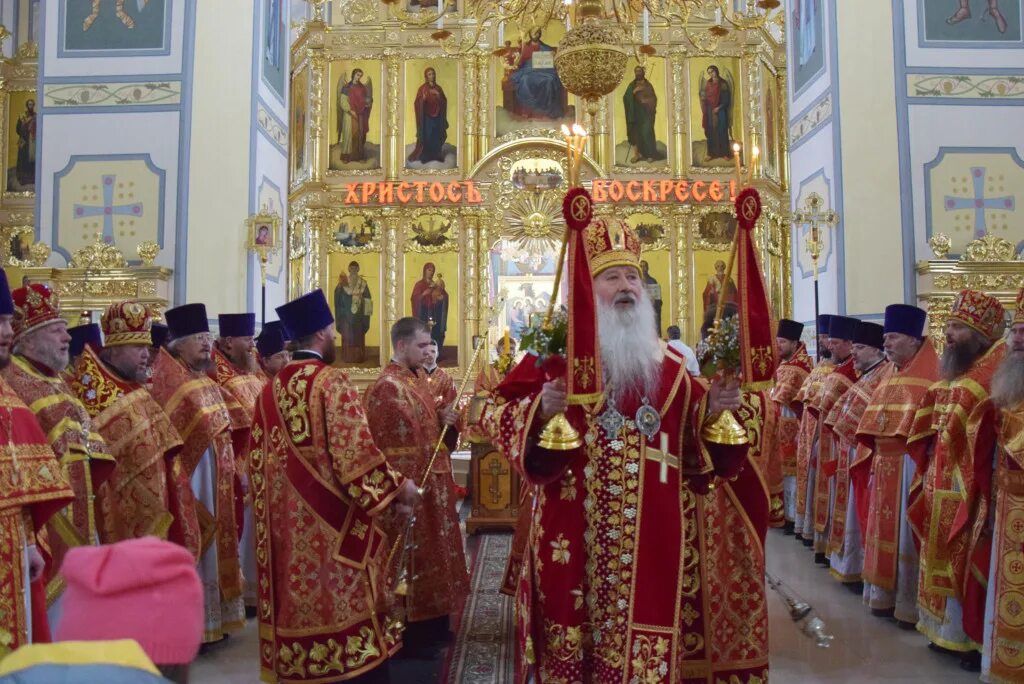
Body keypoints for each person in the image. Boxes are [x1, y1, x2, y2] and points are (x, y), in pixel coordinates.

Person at [476, 219, 765, 681]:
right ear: (587, 290)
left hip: (652, 536)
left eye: (633, 276)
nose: (627, 287)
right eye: (612, 277)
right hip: (569, 529)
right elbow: (490, 410)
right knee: (570, 641)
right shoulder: (555, 356)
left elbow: (698, 444)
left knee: (643, 646)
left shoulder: (670, 368)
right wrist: (540, 411)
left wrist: (715, 409)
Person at [250, 290, 418, 683]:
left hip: (286, 535)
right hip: (334, 532)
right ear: (324, 333)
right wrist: (399, 489)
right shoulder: (331, 382)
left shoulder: (268, 391)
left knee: (299, 604)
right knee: (344, 608)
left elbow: (257, 465)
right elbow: (356, 458)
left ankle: (301, 666)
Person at [2, 283, 114, 630]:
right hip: (42, 515)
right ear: (28, 339)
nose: (67, 338)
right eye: (55, 331)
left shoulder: (56, 379)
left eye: (65, 329)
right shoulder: (15, 380)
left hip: (78, 505)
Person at [907, 289, 1006, 671]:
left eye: (957, 328)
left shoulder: (988, 377)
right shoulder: (956, 373)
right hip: (941, 482)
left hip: (971, 489)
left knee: (965, 561)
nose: (947, 335)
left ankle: (966, 639)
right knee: (939, 558)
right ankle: (940, 630)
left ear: (979, 336)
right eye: (947, 326)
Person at [364, 317, 469, 652]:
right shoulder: (386, 387)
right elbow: (389, 447)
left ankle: (435, 623)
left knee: (433, 557)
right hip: (410, 488)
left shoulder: (417, 380)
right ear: (401, 346)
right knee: (412, 560)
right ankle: (412, 633)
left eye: (430, 345)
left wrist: (443, 422)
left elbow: (429, 434)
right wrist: (405, 488)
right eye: (422, 345)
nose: (428, 352)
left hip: (432, 484)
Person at [149, 303, 245, 644]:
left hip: (216, 480)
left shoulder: (201, 377)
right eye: (197, 338)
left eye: (207, 337)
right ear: (178, 343)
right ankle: (196, 627)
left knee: (217, 547)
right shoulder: (169, 380)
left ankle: (216, 619)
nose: (206, 344)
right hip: (193, 482)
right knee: (198, 549)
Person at [64, 302, 186, 550]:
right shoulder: (88, 396)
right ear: (113, 349)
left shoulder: (133, 387)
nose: (146, 354)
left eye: (147, 346)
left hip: (155, 506)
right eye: (137, 346)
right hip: (116, 516)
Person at [0, 268, 73, 657]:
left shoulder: (10, 395)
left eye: (8, 321)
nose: (6, 331)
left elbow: (21, 486)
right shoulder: (16, 387)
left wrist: (29, 541)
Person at [854, 304, 936, 628]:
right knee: (883, 531)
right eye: (885, 337)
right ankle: (883, 596)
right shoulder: (890, 373)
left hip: (909, 468)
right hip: (885, 466)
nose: (886, 343)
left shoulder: (931, 374)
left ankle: (907, 605)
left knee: (904, 536)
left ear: (915, 340)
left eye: (894, 337)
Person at [823, 321, 891, 587]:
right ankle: (850, 566)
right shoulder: (868, 374)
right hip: (849, 452)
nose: (855, 353)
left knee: (859, 512)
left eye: (860, 348)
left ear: (876, 350)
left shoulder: (883, 375)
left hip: (864, 455)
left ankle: (859, 567)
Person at [985, 287, 1024, 682]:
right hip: (1010, 501)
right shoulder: (1009, 385)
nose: (1016, 339)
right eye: (1015, 329)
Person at [807, 315, 860, 565]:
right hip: (827, 437)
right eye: (828, 341)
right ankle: (827, 546)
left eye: (835, 342)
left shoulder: (853, 371)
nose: (829, 346)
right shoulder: (838, 368)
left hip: (842, 443)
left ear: (850, 344)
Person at [794, 314, 835, 544]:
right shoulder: (819, 365)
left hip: (823, 433)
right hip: (808, 431)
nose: (822, 342)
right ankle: (807, 525)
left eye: (826, 337)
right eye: (820, 338)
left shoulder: (842, 370)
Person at [769, 318, 812, 534]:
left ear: (795, 343)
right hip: (778, 423)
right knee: (780, 471)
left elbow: (782, 395)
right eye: (777, 341)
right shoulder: (782, 363)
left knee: (791, 473)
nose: (778, 346)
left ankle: (792, 517)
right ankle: (780, 512)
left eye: (783, 342)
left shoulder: (800, 366)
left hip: (792, 424)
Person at [508, 27, 565, 120]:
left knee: (550, 80)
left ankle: (546, 111)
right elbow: (518, 63)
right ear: (530, 34)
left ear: (540, 34)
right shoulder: (524, 48)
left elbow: (553, 63)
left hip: (544, 71)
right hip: (527, 70)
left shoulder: (547, 48)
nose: (536, 35)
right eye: (534, 33)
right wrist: (517, 61)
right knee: (524, 80)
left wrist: (553, 56)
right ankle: (527, 109)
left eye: (538, 33)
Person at [408, 67, 449, 164]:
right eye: (429, 74)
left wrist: (438, 95)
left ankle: (437, 155)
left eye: (433, 74)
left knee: (436, 135)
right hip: (427, 118)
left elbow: (444, 101)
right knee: (428, 135)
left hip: (438, 117)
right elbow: (417, 103)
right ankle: (426, 156)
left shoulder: (438, 88)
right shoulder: (422, 89)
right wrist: (424, 97)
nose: (432, 76)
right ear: (426, 76)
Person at [623, 66, 663, 163]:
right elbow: (625, 97)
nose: (638, 73)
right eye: (636, 71)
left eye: (639, 71)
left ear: (643, 72)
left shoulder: (648, 85)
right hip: (635, 114)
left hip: (646, 114)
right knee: (635, 134)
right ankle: (637, 155)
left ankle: (649, 154)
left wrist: (646, 101)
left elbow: (654, 99)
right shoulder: (631, 85)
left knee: (647, 132)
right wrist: (634, 92)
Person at [335, 261, 372, 364]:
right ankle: (347, 357)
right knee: (347, 336)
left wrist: (363, 299)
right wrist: (338, 287)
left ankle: (358, 358)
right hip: (346, 316)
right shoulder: (344, 281)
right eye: (352, 268)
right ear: (349, 269)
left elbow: (368, 298)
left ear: (358, 269)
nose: (354, 270)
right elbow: (337, 295)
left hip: (359, 316)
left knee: (358, 337)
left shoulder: (363, 283)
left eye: (356, 268)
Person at [411, 262, 449, 351]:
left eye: (433, 271)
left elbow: (444, 294)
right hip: (423, 313)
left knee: (436, 333)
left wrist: (442, 298)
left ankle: (435, 354)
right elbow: (414, 298)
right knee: (424, 333)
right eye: (429, 270)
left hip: (435, 313)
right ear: (424, 271)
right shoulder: (419, 284)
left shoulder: (435, 284)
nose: (431, 272)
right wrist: (424, 294)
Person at [338, 68, 372, 163]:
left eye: (360, 75)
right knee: (349, 134)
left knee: (360, 134)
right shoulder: (346, 87)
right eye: (357, 75)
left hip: (360, 114)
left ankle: (359, 156)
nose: (359, 77)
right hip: (350, 115)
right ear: (353, 75)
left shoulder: (362, 88)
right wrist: (350, 110)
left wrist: (367, 102)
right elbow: (343, 101)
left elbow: (364, 99)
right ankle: (347, 157)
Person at [700, 65, 732, 161]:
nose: (711, 74)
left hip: (721, 111)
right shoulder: (708, 83)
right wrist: (703, 98)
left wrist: (719, 107)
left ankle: (725, 153)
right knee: (711, 132)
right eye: (709, 72)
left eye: (712, 71)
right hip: (710, 111)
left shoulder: (723, 83)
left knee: (722, 131)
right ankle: (711, 154)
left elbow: (727, 99)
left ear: (716, 71)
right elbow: (706, 96)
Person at [14, 99, 35, 189]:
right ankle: (22, 179)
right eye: (29, 105)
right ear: (27, 106)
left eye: (32, 105)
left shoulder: (36, 116)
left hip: (33, 141)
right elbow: (18, 129)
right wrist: (24, 131)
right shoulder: (22, 116)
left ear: (33, 106)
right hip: (24, 141)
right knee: (23, 159)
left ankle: (32, 178)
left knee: (32, 160)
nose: (30, 106)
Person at [640, 260, 663, 333]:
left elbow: (658, 301)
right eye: (641, 266)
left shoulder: (652, 281)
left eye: (644, 266)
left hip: (650, 312)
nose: (643, 268)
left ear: (647, 268)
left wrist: (655, 302)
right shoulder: (634, 281)